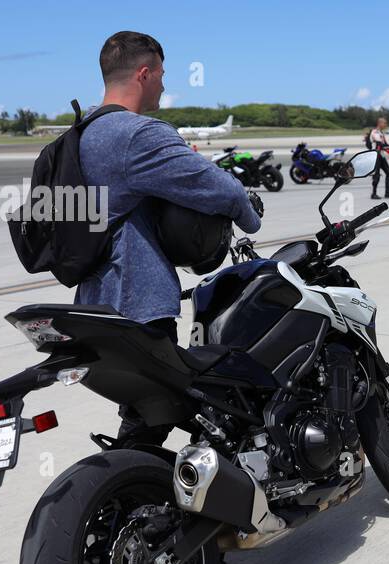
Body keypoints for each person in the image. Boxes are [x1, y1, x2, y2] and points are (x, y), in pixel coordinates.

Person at [76, 31, 262, 445]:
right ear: (144, 73)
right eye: (161, 74)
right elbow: (220, 189)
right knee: (198, 408)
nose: (164, 83)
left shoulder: (80, 131)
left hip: (94, 301)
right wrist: (251, 218)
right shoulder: (137, 134)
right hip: (137, 302)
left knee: (149, 413)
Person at [369, 116, 389, 199]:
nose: (386, 124)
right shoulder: (375, 132)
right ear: (379, 123)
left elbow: (385, 145)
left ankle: (388, 193)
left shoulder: (380, 133)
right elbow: (380, 144)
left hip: (381, 156)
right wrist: (387, 147)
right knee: (376, 175)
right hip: (375, 156)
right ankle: (373, 194)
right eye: (384, 123)